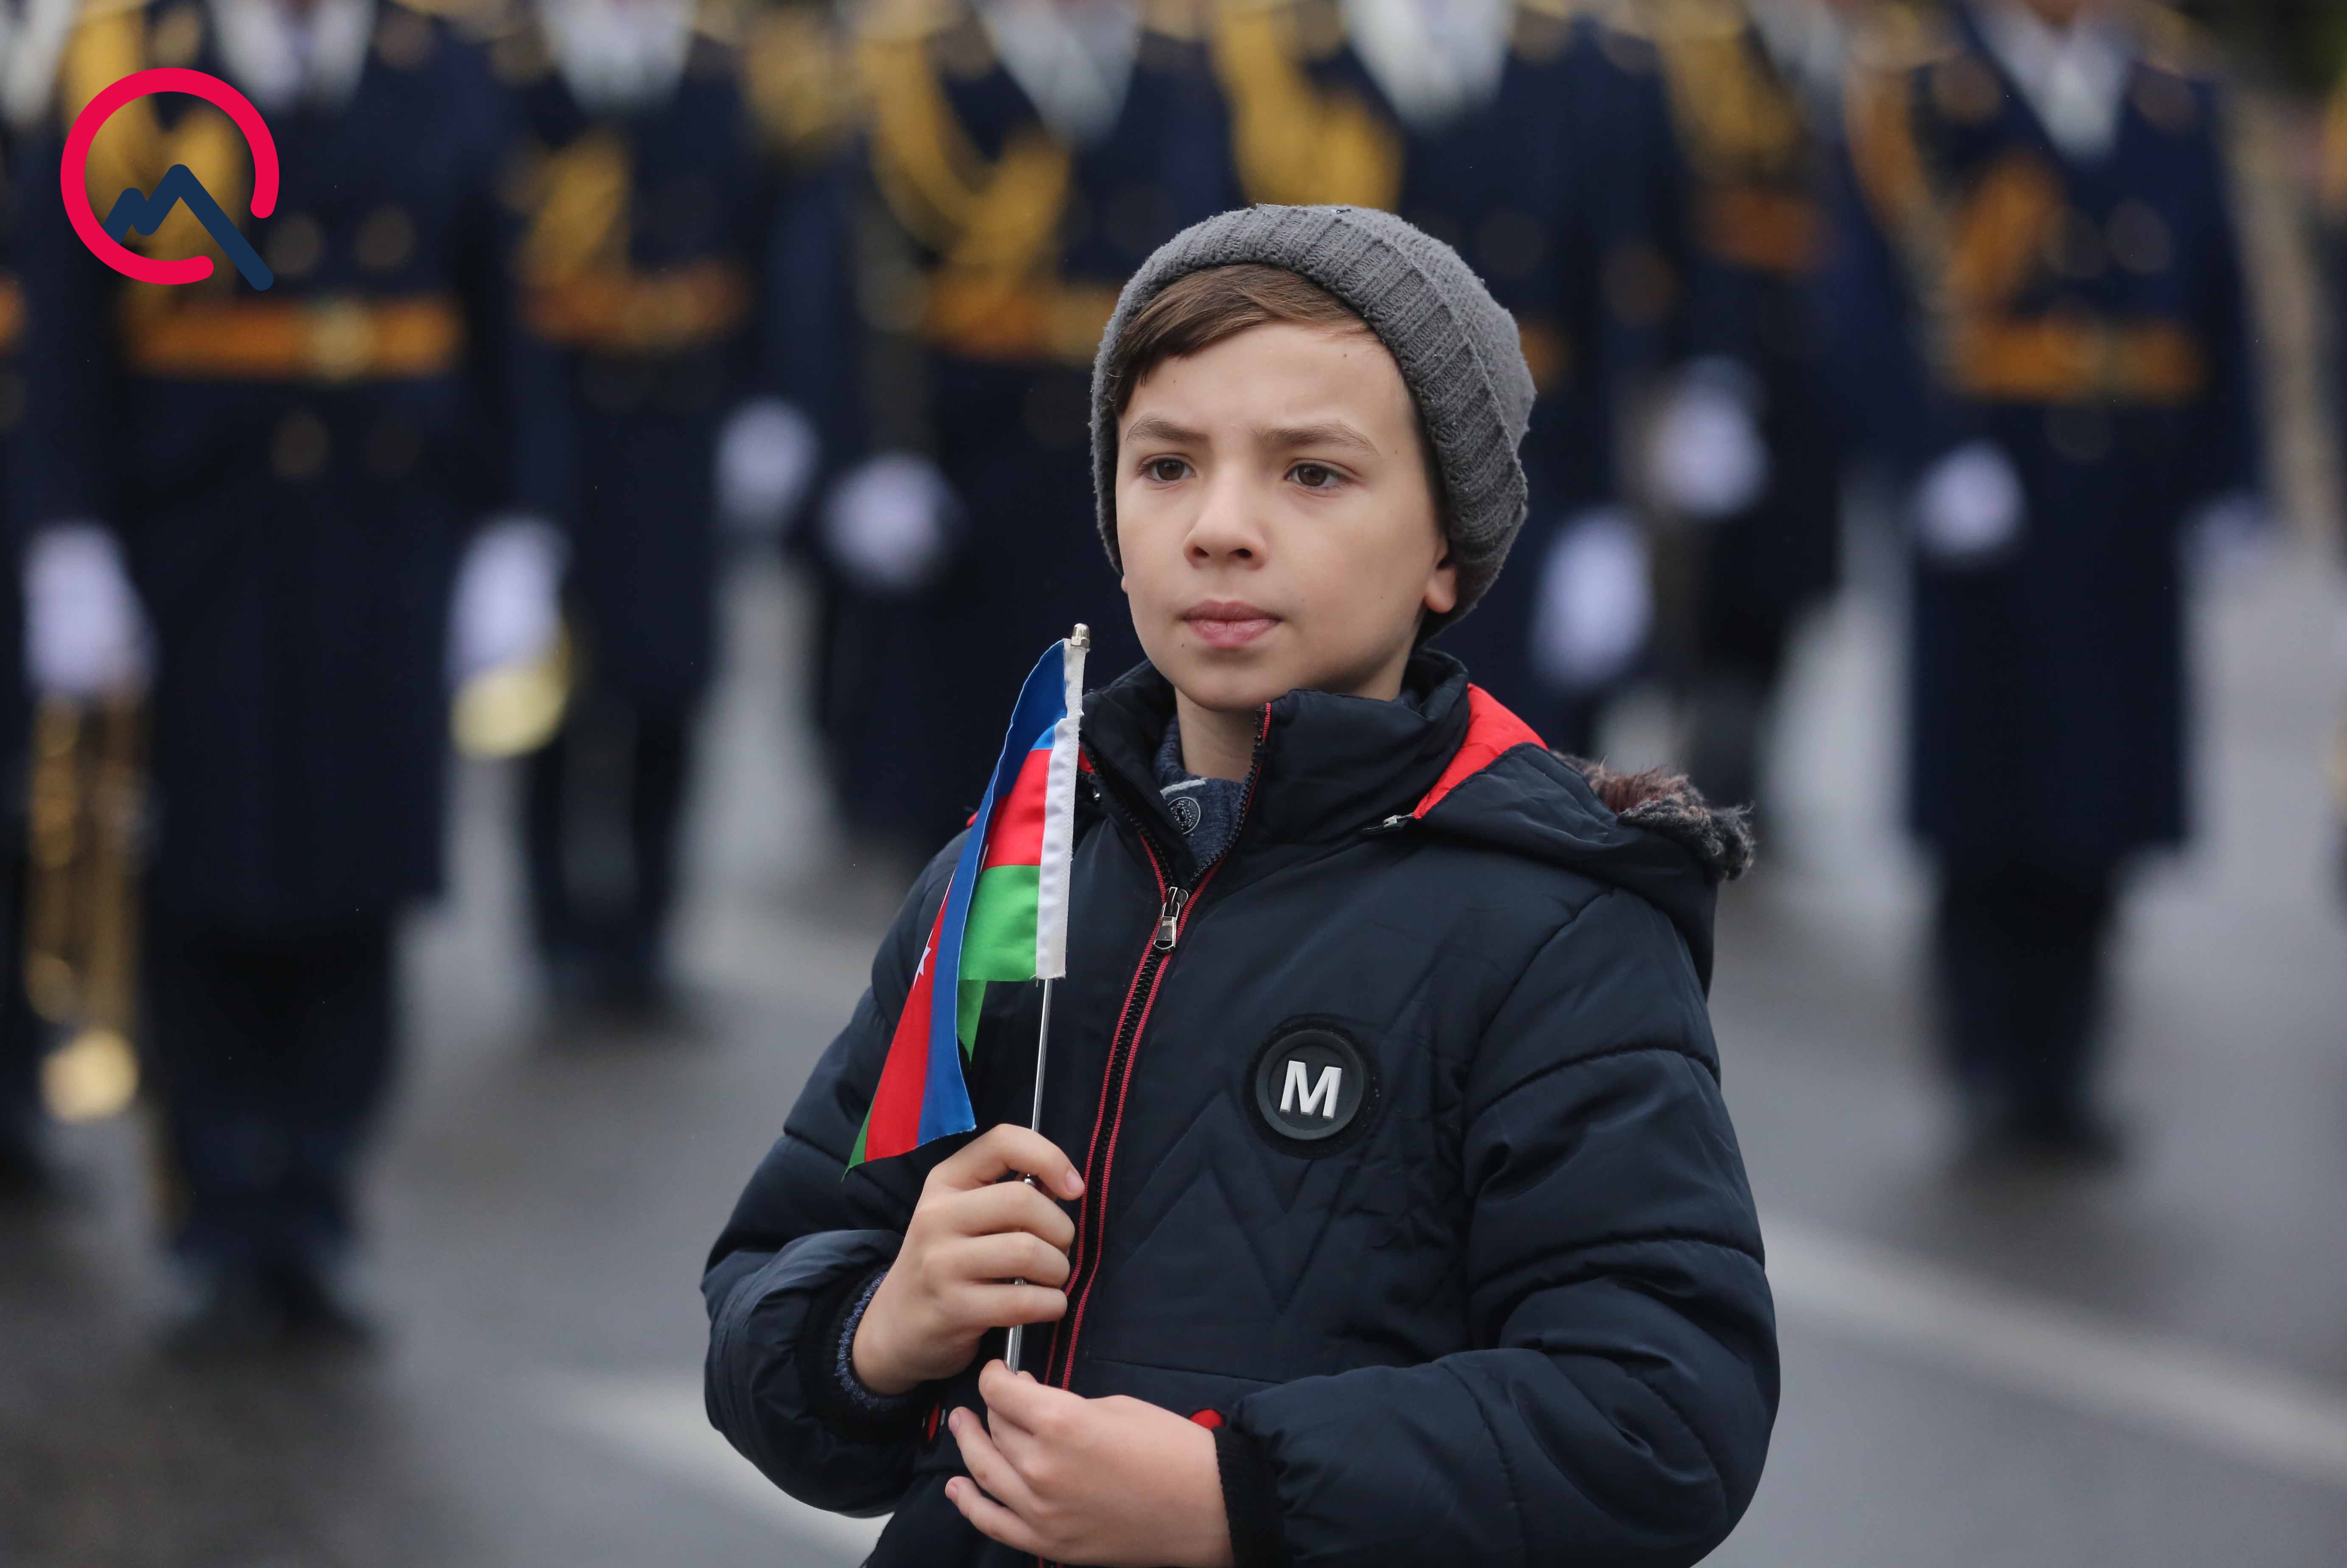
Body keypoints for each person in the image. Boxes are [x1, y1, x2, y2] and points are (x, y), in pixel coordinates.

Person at [703, 205, 1776, 1567]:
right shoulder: (1014, 872)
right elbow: (769, 1285)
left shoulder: (1555, 919)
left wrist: (1237, 1499)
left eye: (1312, 475)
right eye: (1164, 466)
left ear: (1447, 545)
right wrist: (873, 1333)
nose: (1219, 528)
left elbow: (1660, 1416)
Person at [11, 0, 568, 1346]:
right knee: (201, 873)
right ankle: (216, 1211)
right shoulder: (126, 68)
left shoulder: (440, 69)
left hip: (386, 539)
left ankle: (316, 1204)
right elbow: (68, 329)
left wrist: (517, 527)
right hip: (204, 541)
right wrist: (65, 539)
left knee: (356, 877)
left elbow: (503, 311)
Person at [1833, 0, 2261, 1160]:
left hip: (2131, 482)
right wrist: (1927, 457)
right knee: (1986, 782)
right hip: (1991, 466)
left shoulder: (2175, 90)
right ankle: (1984, 1059)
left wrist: (2235, 474)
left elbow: (2222, 291)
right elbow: (1864, 295)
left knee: (2100, 791)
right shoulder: (1916, 85)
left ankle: (2065, 1065)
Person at [804, 0, 1238, 855]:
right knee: (969, 794)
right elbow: (836, 285)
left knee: (1138, 784)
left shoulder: (1193, 70)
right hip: (967, 478)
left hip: (1142, 476)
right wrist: (862, 459)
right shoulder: (913, 71)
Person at [1207, 0, 1683, 754]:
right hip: (1329, 479)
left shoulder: (1585, 67)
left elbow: (1612, 298)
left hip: (1531, 471)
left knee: (1525, 773)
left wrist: (1607, 516)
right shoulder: (1274, 58)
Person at [493, 0, 826, 1016]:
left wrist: (772, 400)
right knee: (549, 692)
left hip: (684, 418)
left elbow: (781, 251)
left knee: (671, 687)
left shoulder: (732, 76)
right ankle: (555, 935)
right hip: (559, 418)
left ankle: (644, 938)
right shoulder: (511, 69)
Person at [1643, 0, 1847, 818]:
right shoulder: (1698, 40)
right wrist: (1705, 362)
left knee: (1792, 576)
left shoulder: (1859, 56)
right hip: (1726, 343)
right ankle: (1707, 765)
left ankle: (1754, 765)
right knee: (1705, 583)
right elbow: (1689, 211)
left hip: (1815, 364)